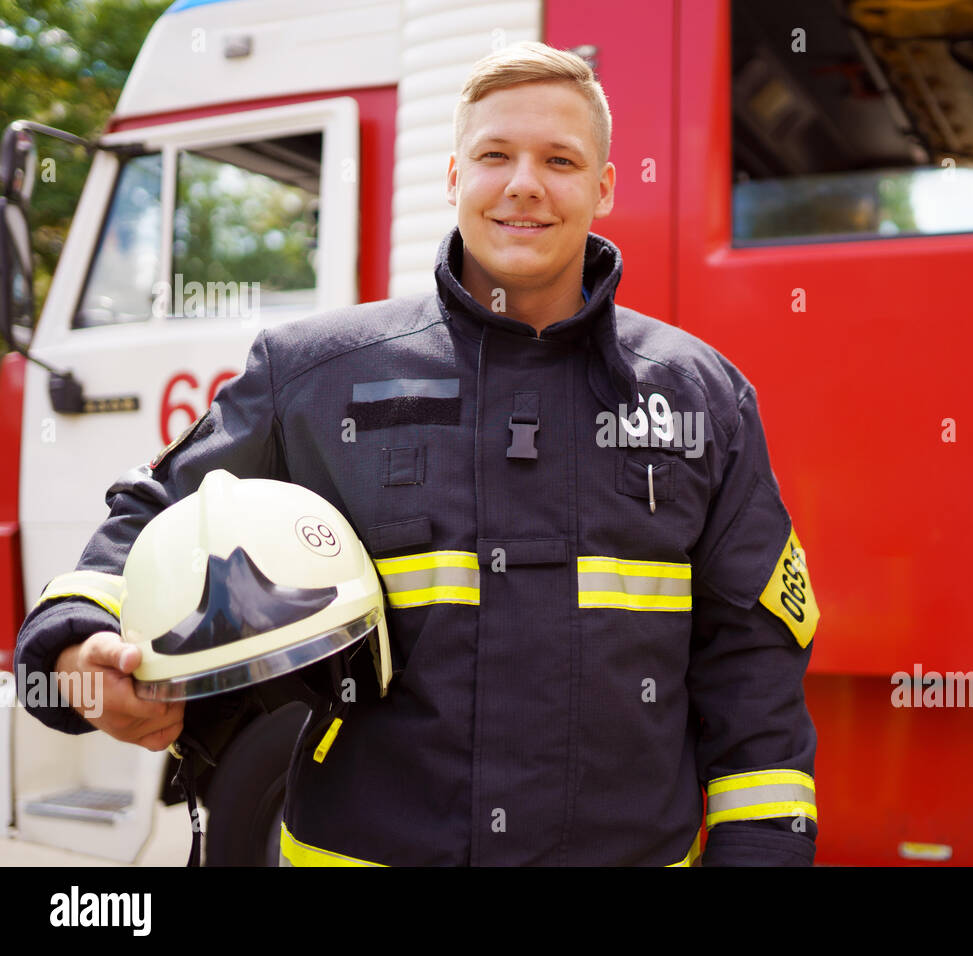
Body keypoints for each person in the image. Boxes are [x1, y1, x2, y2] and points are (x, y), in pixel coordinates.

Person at [15, 41, 820, 866]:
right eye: (495, 155)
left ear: (605, 186)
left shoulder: (701, 397)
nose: (524, 184)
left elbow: (753, 664)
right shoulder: (315, 375)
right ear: (452, 177)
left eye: (561, 159)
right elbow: (150, 521)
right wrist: (79, 651)